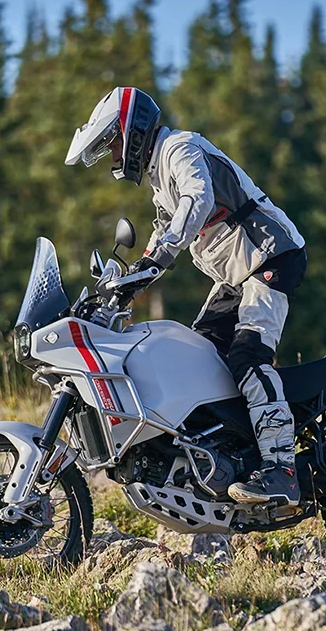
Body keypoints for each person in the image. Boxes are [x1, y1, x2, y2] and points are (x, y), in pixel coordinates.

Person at [65, 87, 307, 509]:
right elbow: (163, 231)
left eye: (113, 144)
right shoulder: (160, 177)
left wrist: (158, 257)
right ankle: (234, 457)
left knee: (248, 357)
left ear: (132, 131)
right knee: (199, 358)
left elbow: (198, 200)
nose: (114, 157)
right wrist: (131, 280)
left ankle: (282, 470)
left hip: (270, 255)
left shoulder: (181, 148)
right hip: (236, 274)